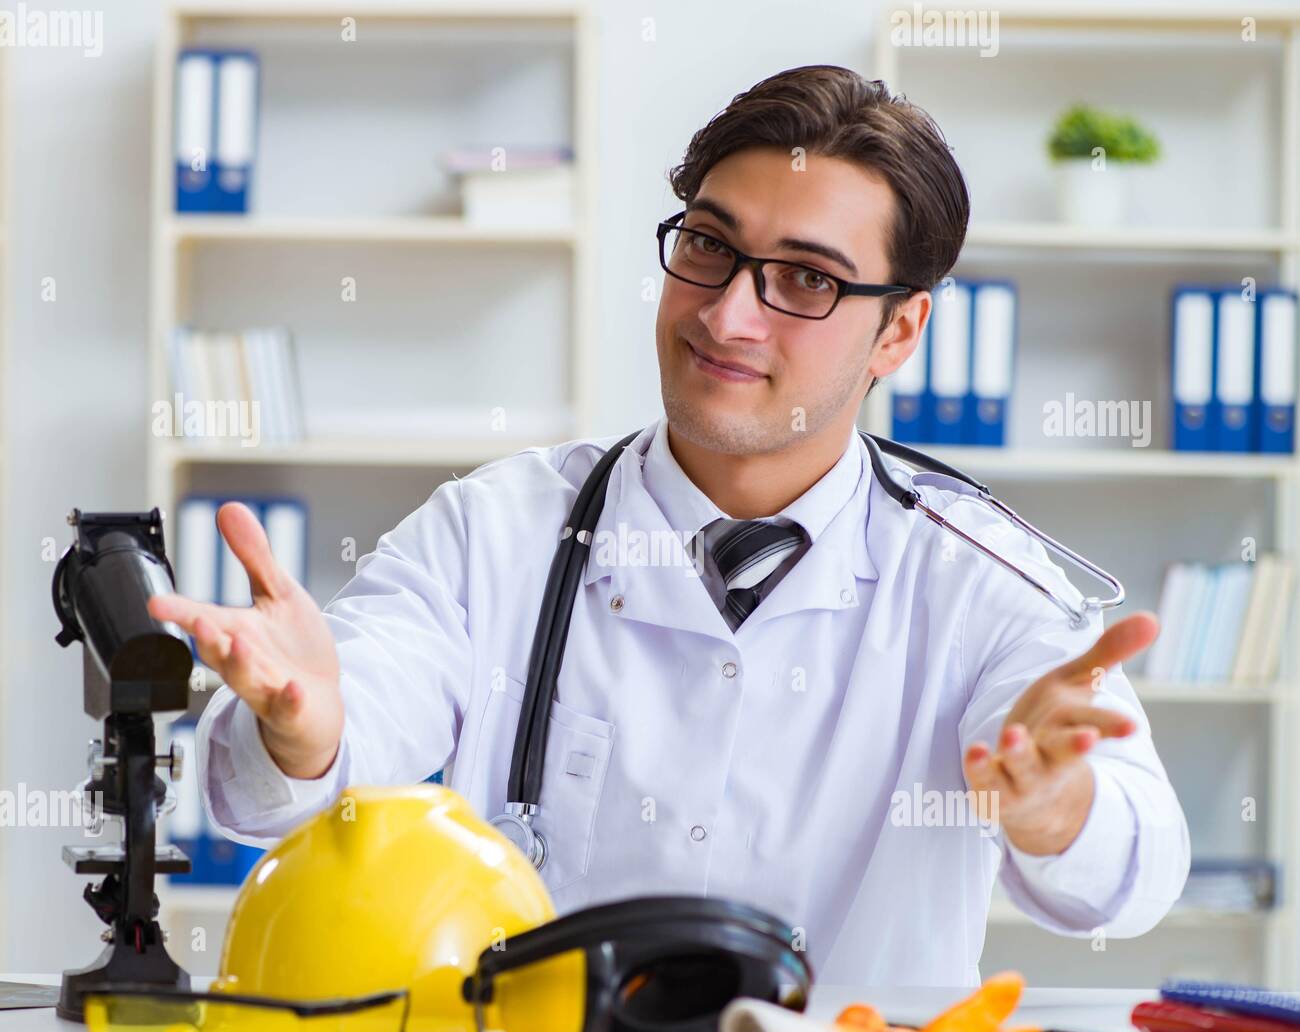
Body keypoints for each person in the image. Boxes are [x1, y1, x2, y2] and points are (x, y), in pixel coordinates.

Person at [150, 66, 1189, 985]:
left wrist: (1056, 814)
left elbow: (1132, 881)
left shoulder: (983, 578)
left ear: (898, 331)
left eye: (806, 279)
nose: (728, 314)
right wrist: (305, 732)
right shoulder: (497, 530)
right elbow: (284, 778)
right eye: (708, 245)